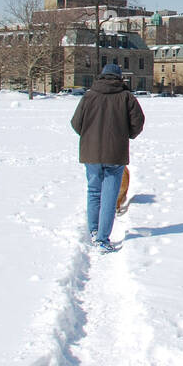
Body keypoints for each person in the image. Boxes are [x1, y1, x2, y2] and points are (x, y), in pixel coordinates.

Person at [71, 63, 144, 252]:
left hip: (91, 152)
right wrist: (125, 135)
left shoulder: (89, 96)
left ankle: (94, 231)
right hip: (115, 153)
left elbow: (76, 123)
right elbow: (138, 122)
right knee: (109, 197)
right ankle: (102, 239)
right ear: (120, 77)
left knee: (94, 192)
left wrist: (88, 136)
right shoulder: (126, 97)